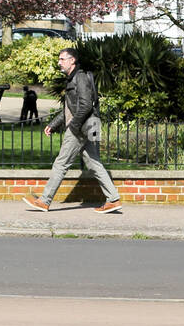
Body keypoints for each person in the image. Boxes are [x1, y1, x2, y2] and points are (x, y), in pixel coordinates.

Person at [25, 47, 122, 214]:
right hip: (87, 126)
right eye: (59, 59)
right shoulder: (73, 79)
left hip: (81, 127)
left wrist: (74, 126)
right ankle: (113, 199)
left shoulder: (80, 78)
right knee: (93, 163)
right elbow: (69, 108)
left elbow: (85, 105)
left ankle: (44, 201)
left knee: (61, 163)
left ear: (72, 61)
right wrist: (54, 125)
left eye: (62, 59)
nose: (59, 63)